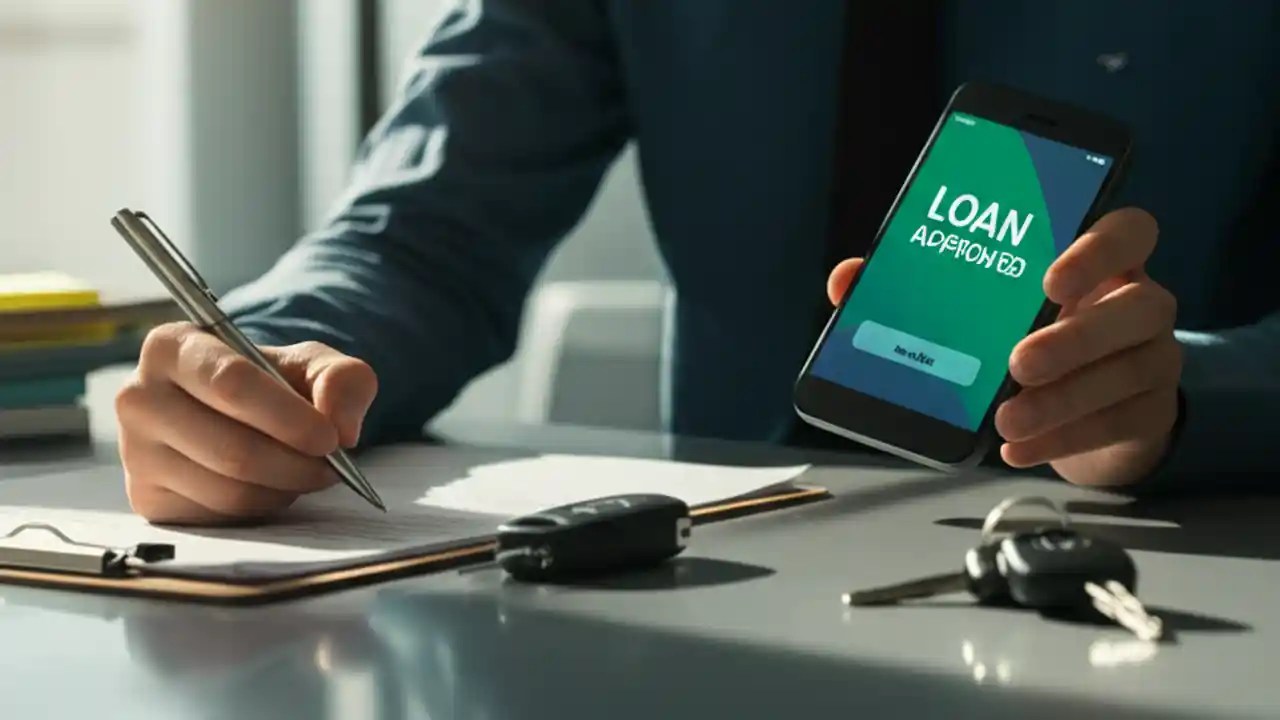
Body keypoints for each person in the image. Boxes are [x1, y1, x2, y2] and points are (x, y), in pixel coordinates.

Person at [114, 1, 1279, 524]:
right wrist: (270, 356)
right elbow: (424, 228)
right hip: (718, 573)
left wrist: (1183, 398)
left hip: (1170, 576)